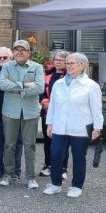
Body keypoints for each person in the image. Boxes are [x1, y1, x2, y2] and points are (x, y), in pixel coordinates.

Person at [43, 53, 103, 198]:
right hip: (60, 127)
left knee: (78, 157)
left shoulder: (91, 86)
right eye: (67, 63)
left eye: (71, 63)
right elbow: (53, 107)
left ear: (82, 65)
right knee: (56, 155)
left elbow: (96, 108)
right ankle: (55, 184)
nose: (68, 66)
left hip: (80, 128)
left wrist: (97, 127)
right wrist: (49, 124)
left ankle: (76, 186)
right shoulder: (59, 83)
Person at [0, 39, 45, 189]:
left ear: (28, 52)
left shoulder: (37, 67)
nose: (19, 52)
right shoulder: (6, 67)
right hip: (10, 111)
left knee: (30, 145)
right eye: (16, 49)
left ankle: (30, 177)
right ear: (13, 52)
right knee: (9, 144)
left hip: (30, 112)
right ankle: (8, 174)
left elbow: (39, 88)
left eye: (22, 50)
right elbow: (2, 85)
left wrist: (14, 85)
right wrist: (24, 85)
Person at [0, 46, 22, 180]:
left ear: (11, 57)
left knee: (14, 144)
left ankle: (14, 170)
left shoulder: (19, 72)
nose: (1, 59)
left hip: (14, 115)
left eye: (4, 57)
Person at [38, 50, 69, 180]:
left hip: (64, 113)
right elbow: (41, 91)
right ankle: (48, 165)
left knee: (63, 141)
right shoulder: (47, 74)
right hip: (47, 112)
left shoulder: (70, 76)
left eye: (61, 59)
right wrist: (45, 102)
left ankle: (62, 168)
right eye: (56, 59)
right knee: (48, 140)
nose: (58, 61)